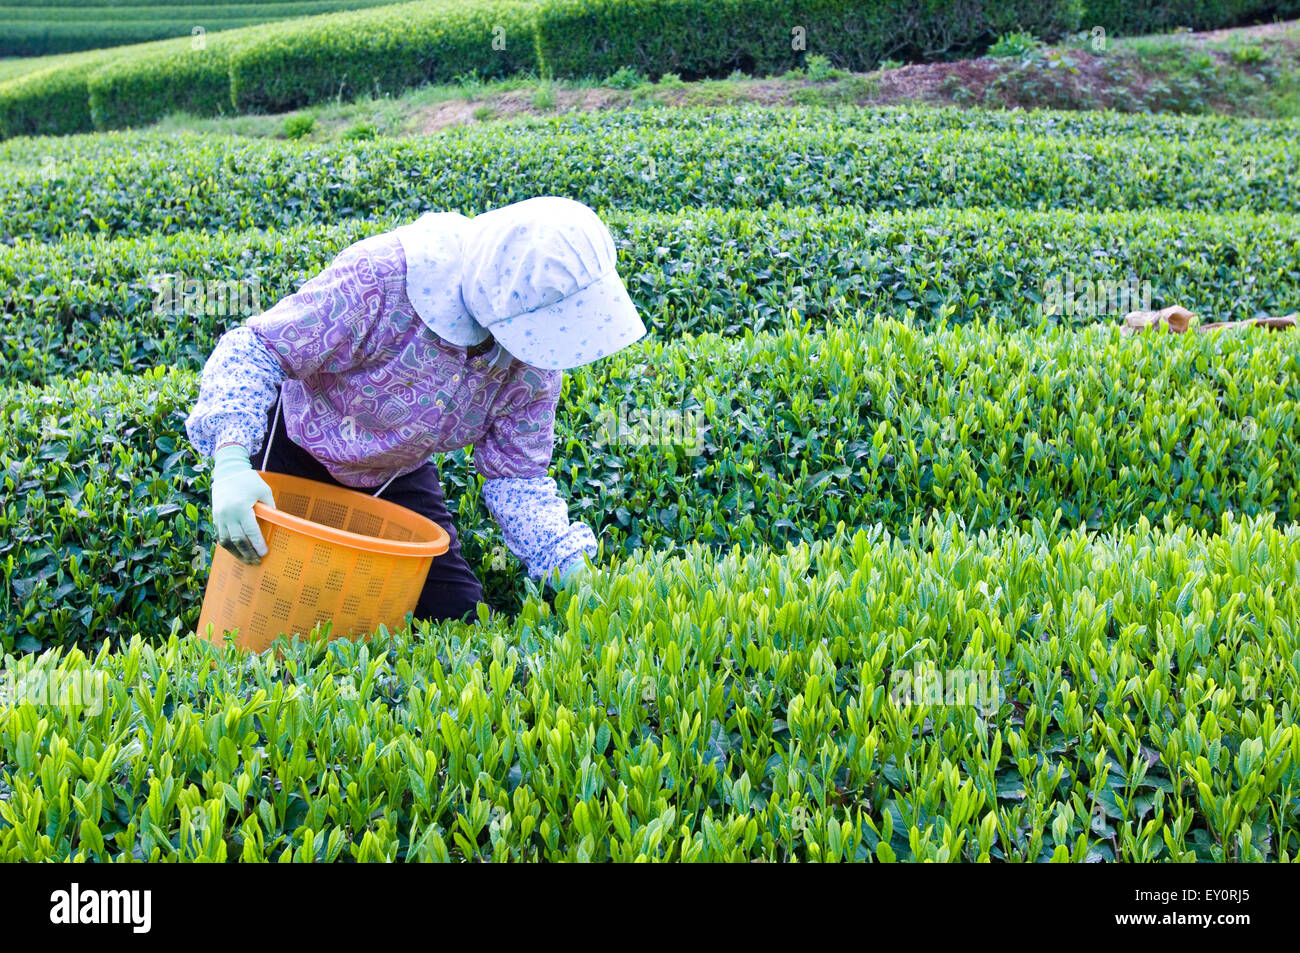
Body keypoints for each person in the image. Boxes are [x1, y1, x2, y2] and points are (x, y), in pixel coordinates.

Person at [184, 196, 646, 623]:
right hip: (294, 445)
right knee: (268, 608)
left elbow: (516, 477)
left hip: (394, 475)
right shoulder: (381, 277)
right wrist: (230, 461)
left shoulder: (536, 361)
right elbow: (256, 349)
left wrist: (568, 566)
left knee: (461, 616)